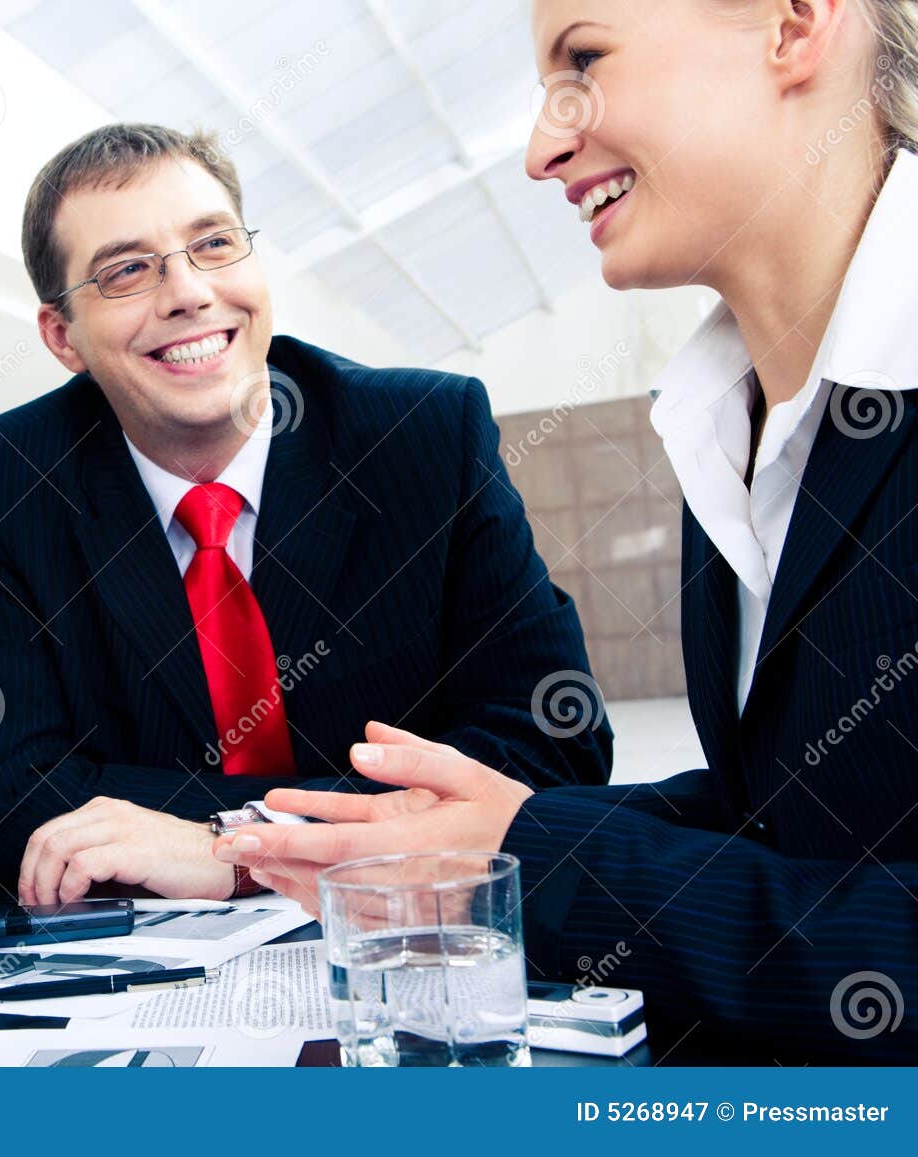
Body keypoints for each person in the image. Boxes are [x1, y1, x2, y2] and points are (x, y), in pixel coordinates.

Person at [215, 0, 918, 1062]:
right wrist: (479, 837)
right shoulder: (728, 410)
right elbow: (797, 818)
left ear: (793, 24)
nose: (542, 150)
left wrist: (532, 849)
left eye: (584, 60)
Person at [0, 123, 611, 907]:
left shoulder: (423, 431)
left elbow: (553, 736)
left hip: (411, 936)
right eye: (127, 271)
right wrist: (381, 814)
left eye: (215, 244)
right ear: (64, 337)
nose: (189, 292)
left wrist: (235, 844)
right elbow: (7, 796)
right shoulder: (11, 477)